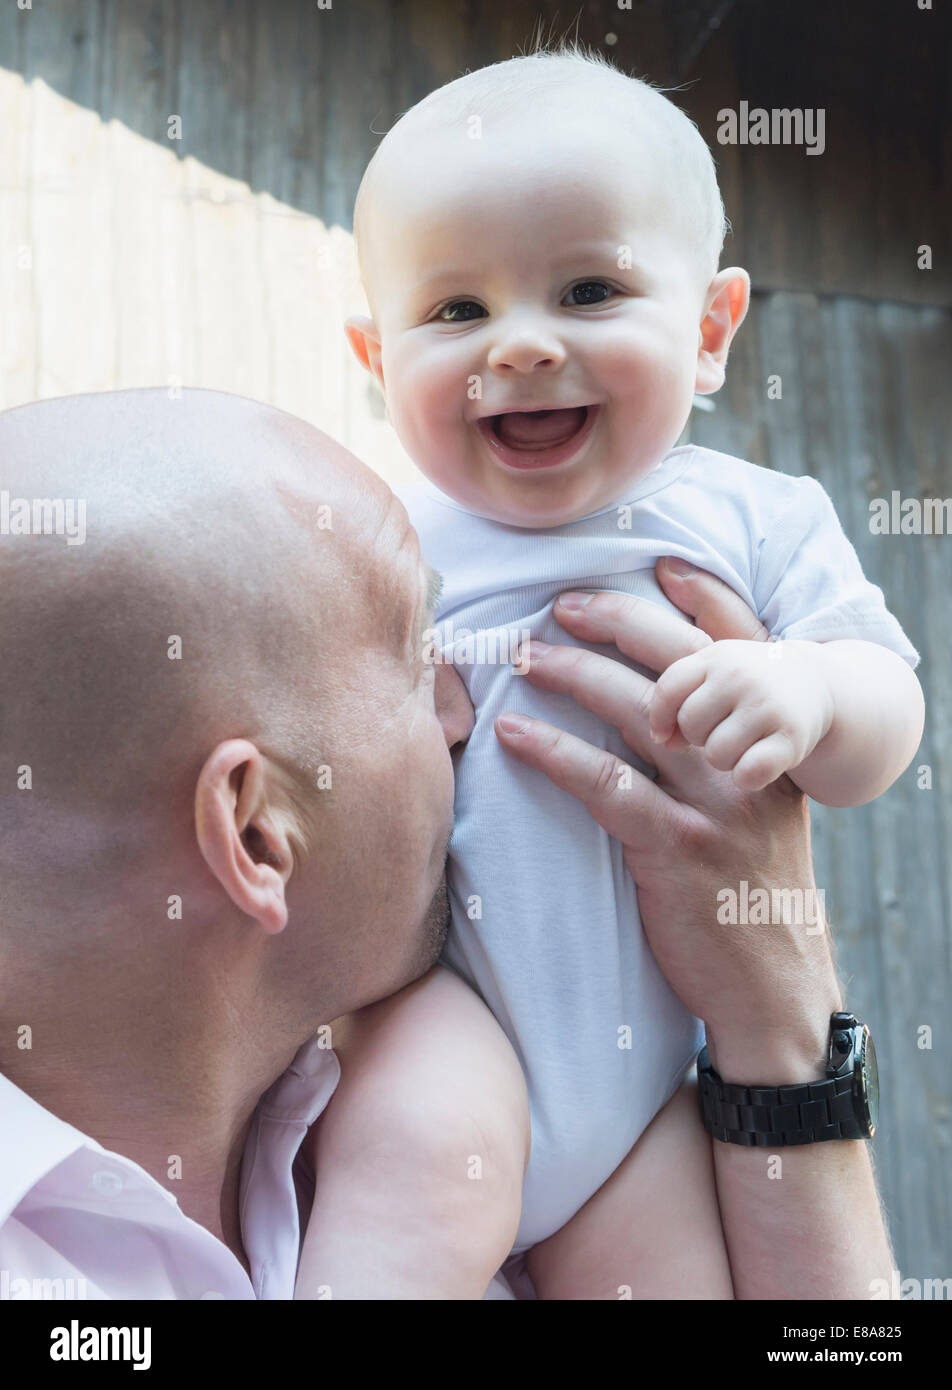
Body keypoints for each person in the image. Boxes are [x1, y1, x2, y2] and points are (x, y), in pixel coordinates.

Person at [0, 389, 894, 1301]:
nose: (464, 712)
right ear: (257, 833)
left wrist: (778, 1025)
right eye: (414, 655)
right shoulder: (428, 1175)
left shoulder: (445, 1155)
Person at [307, 42, 924, 1294]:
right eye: (458, 310)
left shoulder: (752, 517)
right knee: (410, 1184)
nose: (523, 344)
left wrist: (807, 692)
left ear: (708, 332)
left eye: (588, 290)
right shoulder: (374, 530)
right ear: (378, 366)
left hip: (649, 1080)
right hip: (442, 1017)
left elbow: (885, 711)